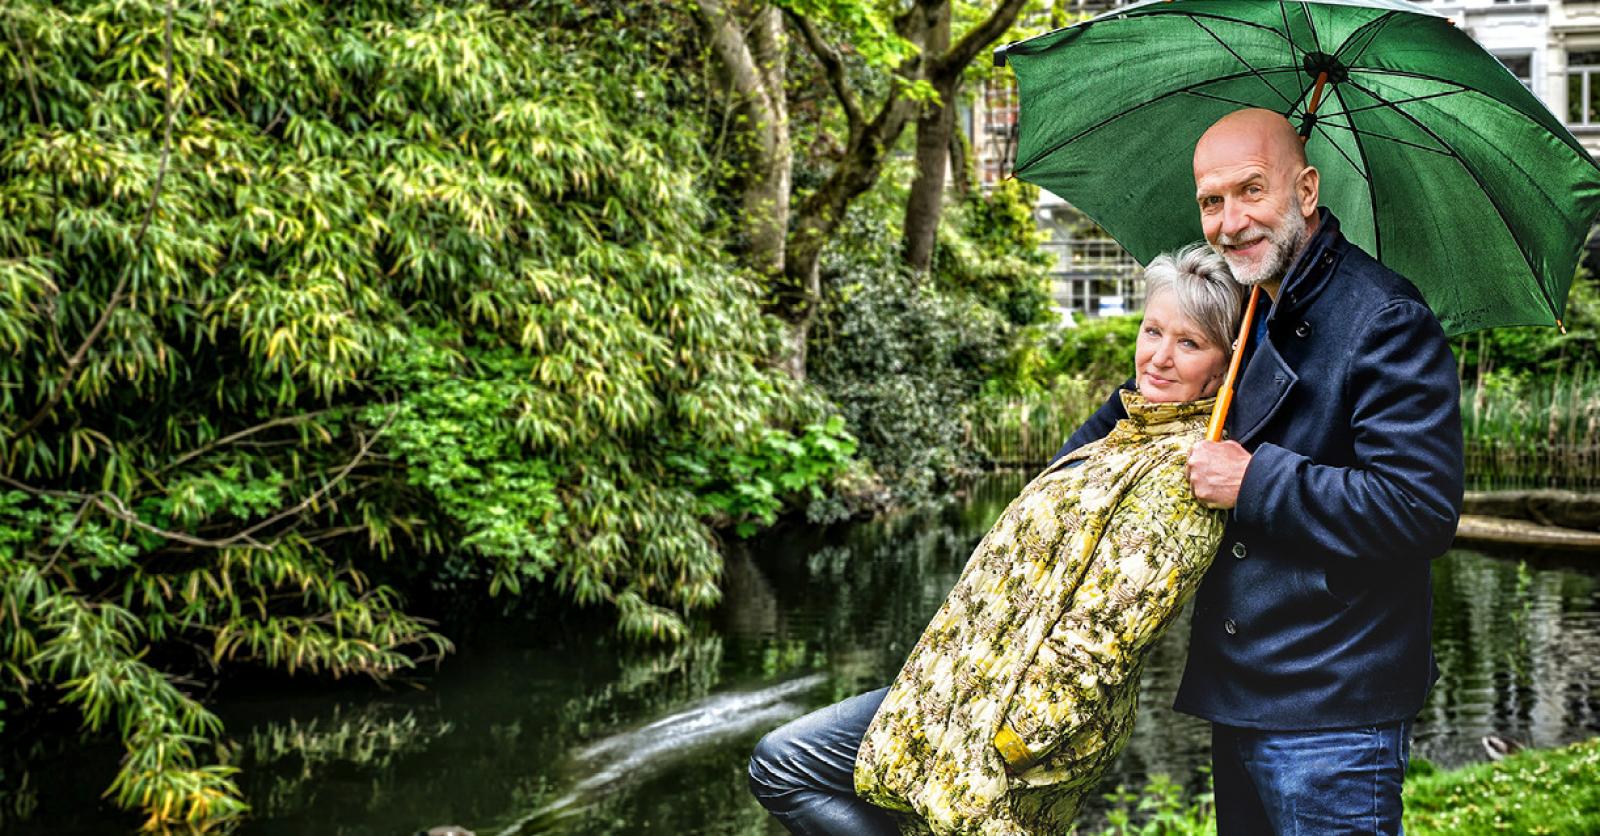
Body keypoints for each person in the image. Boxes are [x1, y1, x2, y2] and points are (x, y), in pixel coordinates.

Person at [1056, 108, 1465, 834]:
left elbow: (1418, 507)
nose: (1230, 220)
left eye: (1252, 191)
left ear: (1306, 190)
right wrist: (1062, 480)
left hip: (1333, 704)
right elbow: (1134, 409)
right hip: (1243, 693)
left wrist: (1255, 482)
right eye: (1212, 201)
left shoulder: (1385, 318)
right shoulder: (1250, 309)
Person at [749, 244, 1246, 834]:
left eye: (1189, 343)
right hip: (966, 684)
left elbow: (1104, 635)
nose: (1159, 357)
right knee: (786, 765)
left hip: (1007, 726)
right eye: (1152, 330)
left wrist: (1015, 741)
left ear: (1224, 363)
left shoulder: (1184, 472)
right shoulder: (1127, 431)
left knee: (788, 765)